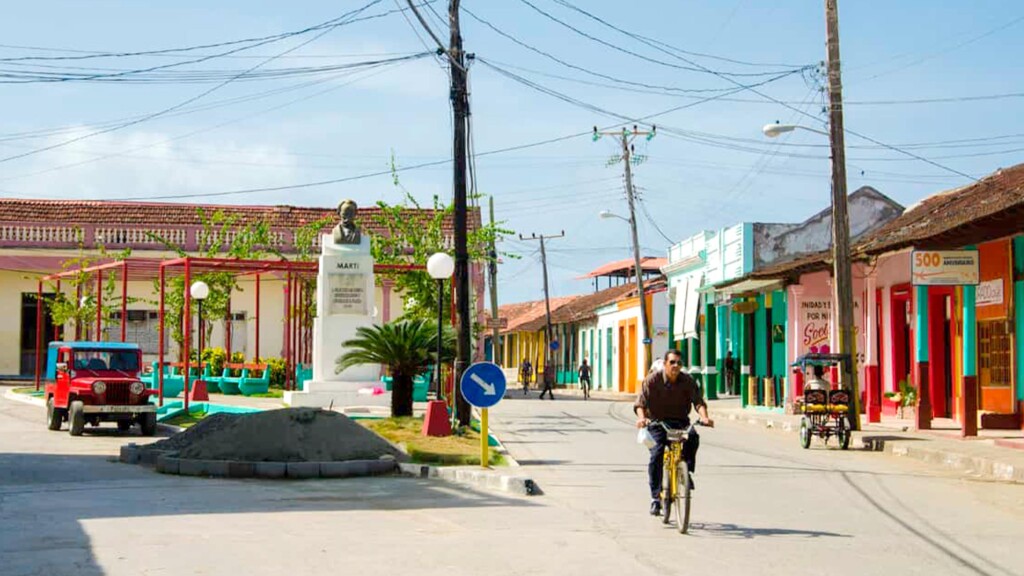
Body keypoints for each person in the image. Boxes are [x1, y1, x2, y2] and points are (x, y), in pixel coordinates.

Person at [634, 349, 714, 517]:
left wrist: (705, 417)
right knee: (656, 455)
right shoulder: (652, 380)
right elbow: (640, 403)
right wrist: (642, 419)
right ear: (665, 364)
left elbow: (698, 402)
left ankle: (686, 472)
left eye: (679, 363)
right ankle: (655, 498)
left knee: (692, 437)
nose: (676, 366)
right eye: (672, 362)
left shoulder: (687, 381)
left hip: (680, 422)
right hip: (657, 422)